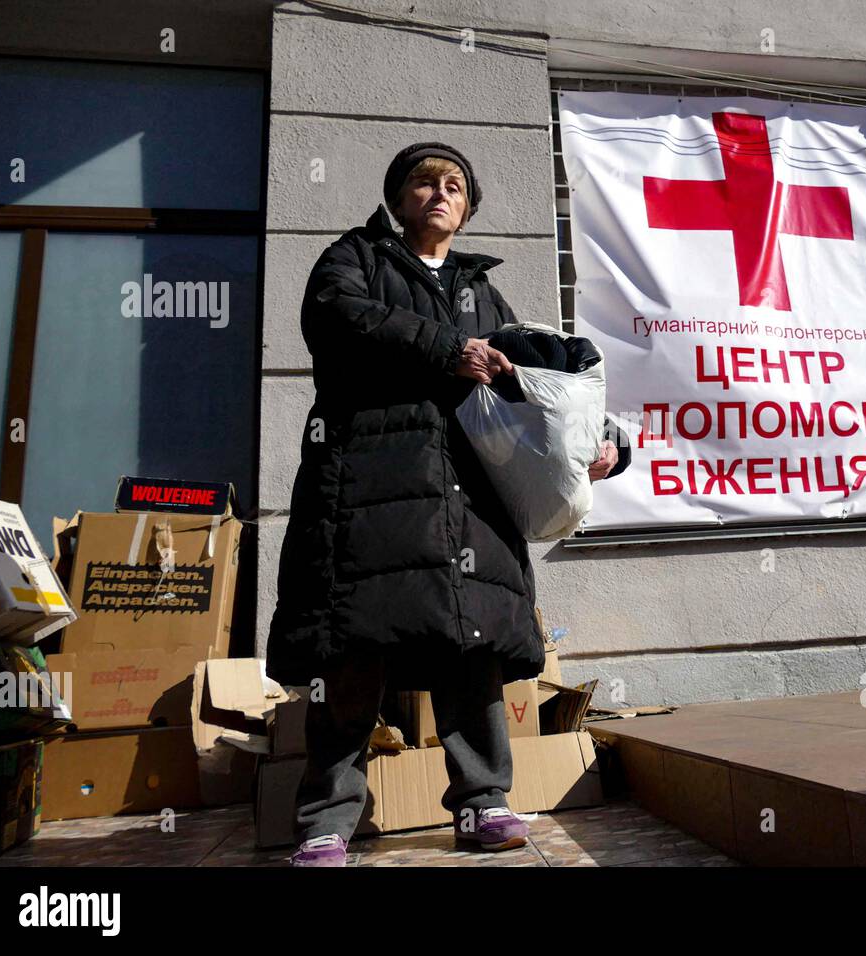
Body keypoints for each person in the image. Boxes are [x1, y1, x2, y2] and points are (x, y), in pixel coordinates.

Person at [265, 142, 627, 866]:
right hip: (367, 486)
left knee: (473, 643)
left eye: (454, 185)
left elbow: (537, 376)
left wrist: (606, 437)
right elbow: (340, 319)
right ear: (400, 200)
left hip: (466, 491)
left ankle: (483, 802)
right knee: (352, 648)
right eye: (424, 182)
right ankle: (328, 820)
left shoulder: (483, 293)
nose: (440, 193)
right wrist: (447, 348)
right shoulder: (356, 258)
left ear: (467, 208)